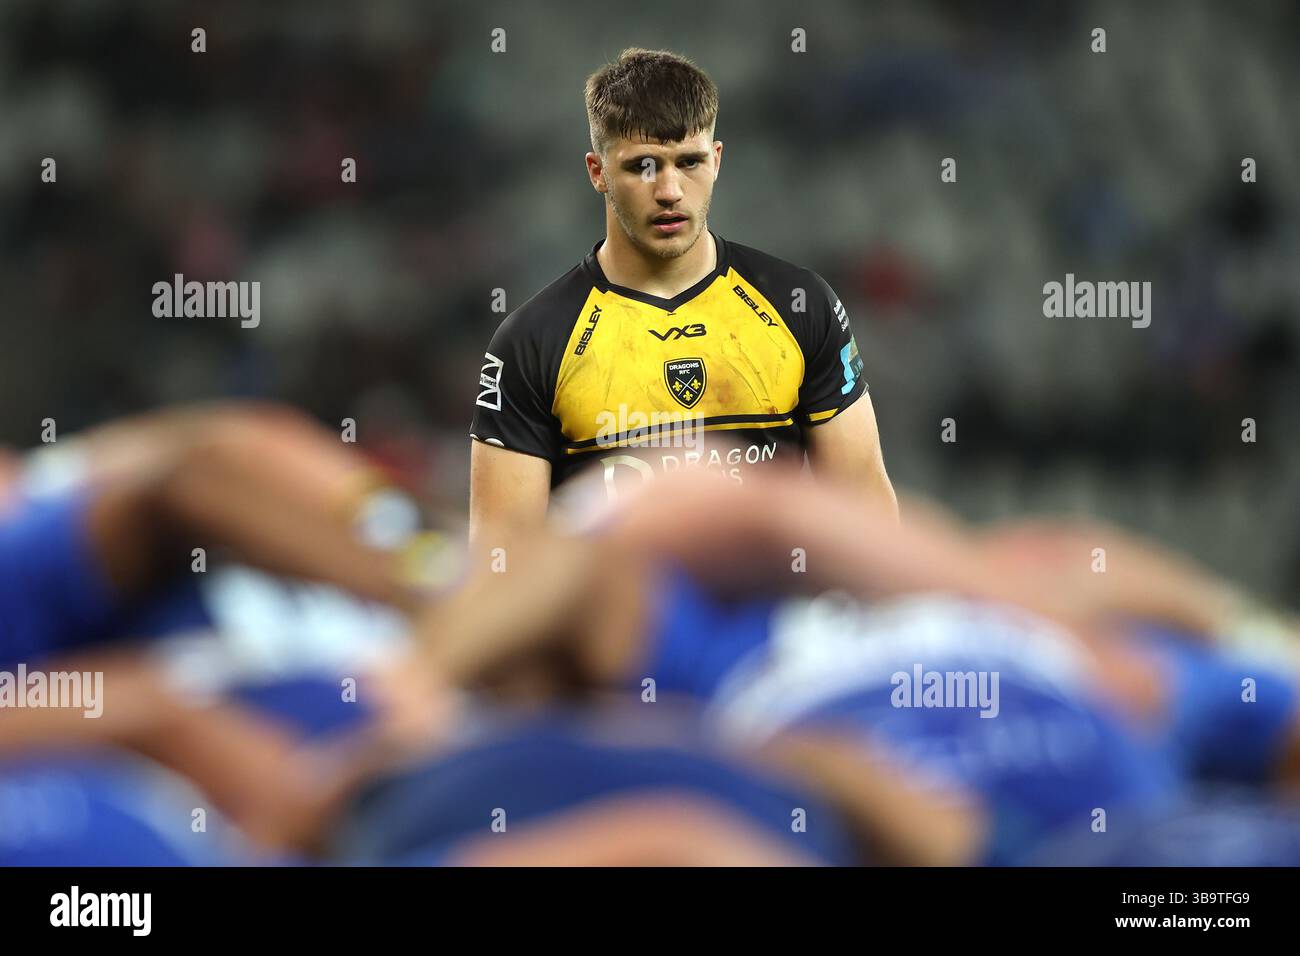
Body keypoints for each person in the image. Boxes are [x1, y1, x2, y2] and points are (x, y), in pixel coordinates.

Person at [468, 48, 896, 543]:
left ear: (715, 161)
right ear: (597, 171)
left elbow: (867, 515)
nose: (669, 190)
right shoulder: (530, 342)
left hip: (771, 615)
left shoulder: (801, 305)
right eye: (642, 166)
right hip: (622, 620)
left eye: (688, 162)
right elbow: (502, 564)